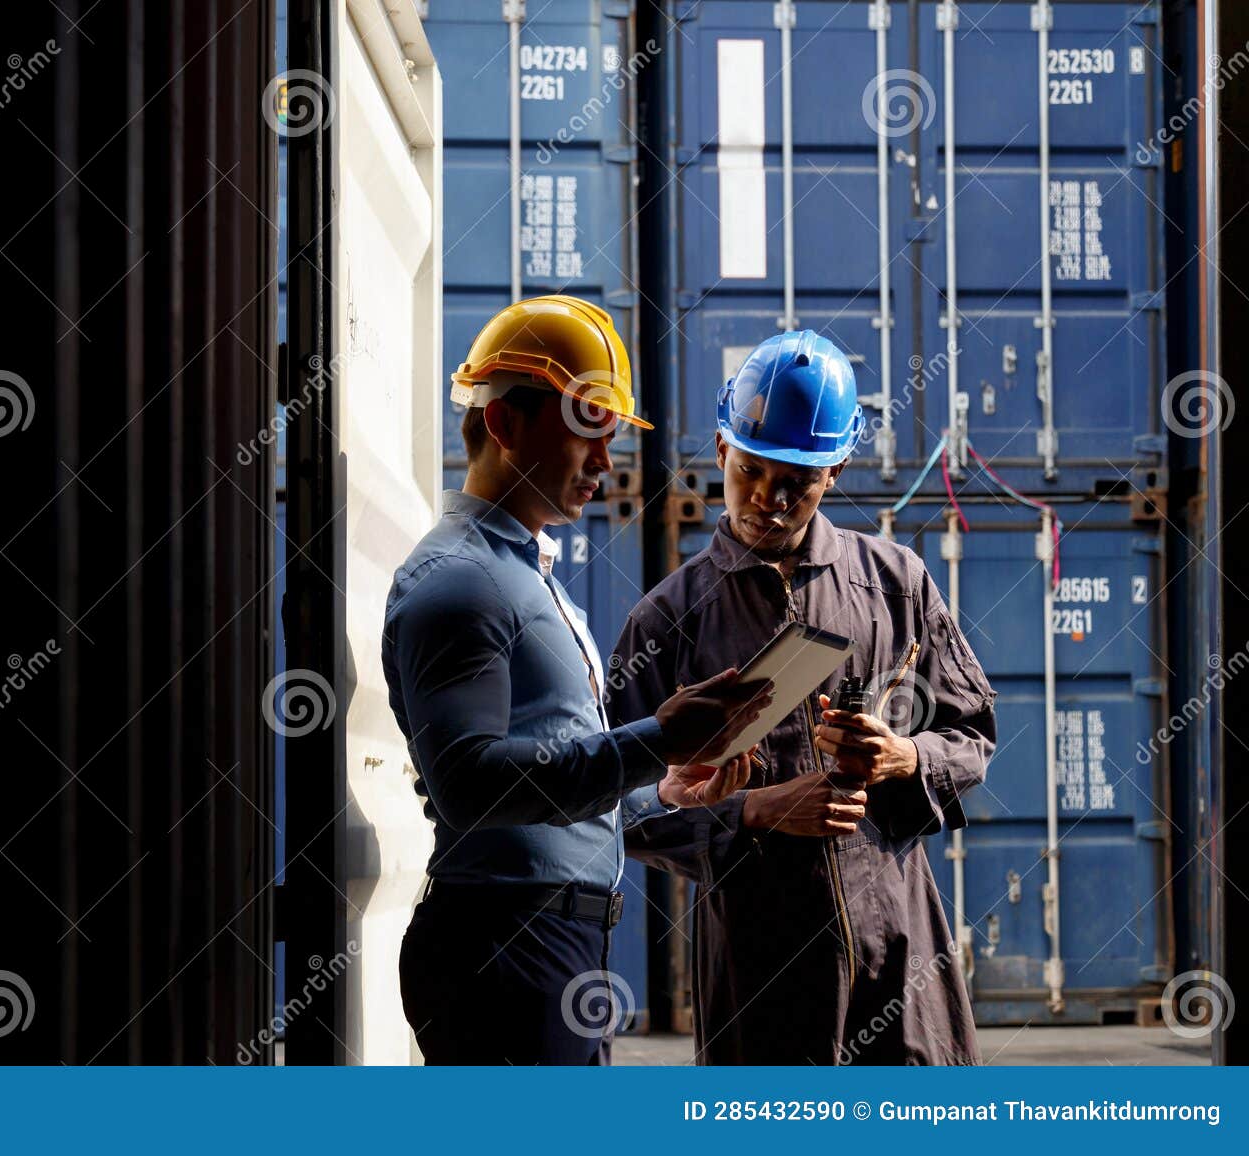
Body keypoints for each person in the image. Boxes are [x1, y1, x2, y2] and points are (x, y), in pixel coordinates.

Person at [381, 296, 771, 1065]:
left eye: (615, 437)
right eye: (588, 431)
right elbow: (469, 784)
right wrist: (658, 738)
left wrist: (665, 787)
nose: (606, 461)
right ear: (504, 424)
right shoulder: (462, 583)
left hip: (549, 945)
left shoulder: (526, 575)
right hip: (506, 947)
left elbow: (548, 786)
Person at [607, 330, 997, 1065]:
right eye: (752, 471)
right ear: (721, 450)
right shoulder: (667, 623)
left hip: (900, 950)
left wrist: (903, 756)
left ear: (837, 469)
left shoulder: (896, 582)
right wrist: (754, 811)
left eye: (798, 480)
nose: (770, 500)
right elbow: (614, 809)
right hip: (759, 969)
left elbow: (973, 729)